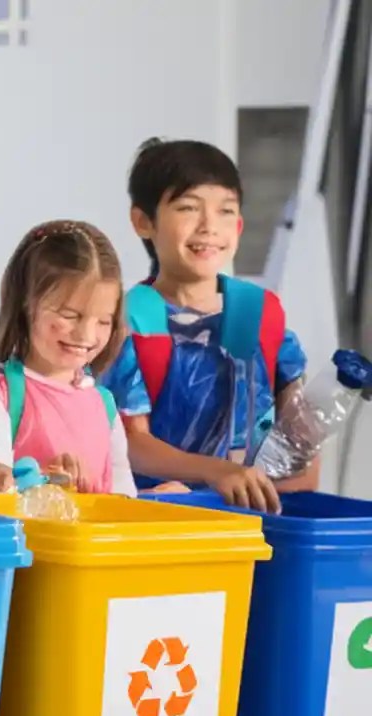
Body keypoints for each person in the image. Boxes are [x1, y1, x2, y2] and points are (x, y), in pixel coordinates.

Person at [101, 138, 305, 512]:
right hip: (159, 518)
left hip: (257, 518)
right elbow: (129, 442)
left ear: (240, 225)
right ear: (143, 221)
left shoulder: (260, 313)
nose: (210, 226)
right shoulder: (127, 321)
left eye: (226, 211)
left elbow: (300, 437)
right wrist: (219, 472)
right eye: (188, 208)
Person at [0, 220, 138, 497]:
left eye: (103, 321)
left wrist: (92, 493)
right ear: (26, 304)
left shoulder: (105, 406)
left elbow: (125, 502)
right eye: (69, 315)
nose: (86, 334)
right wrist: (32, 485)